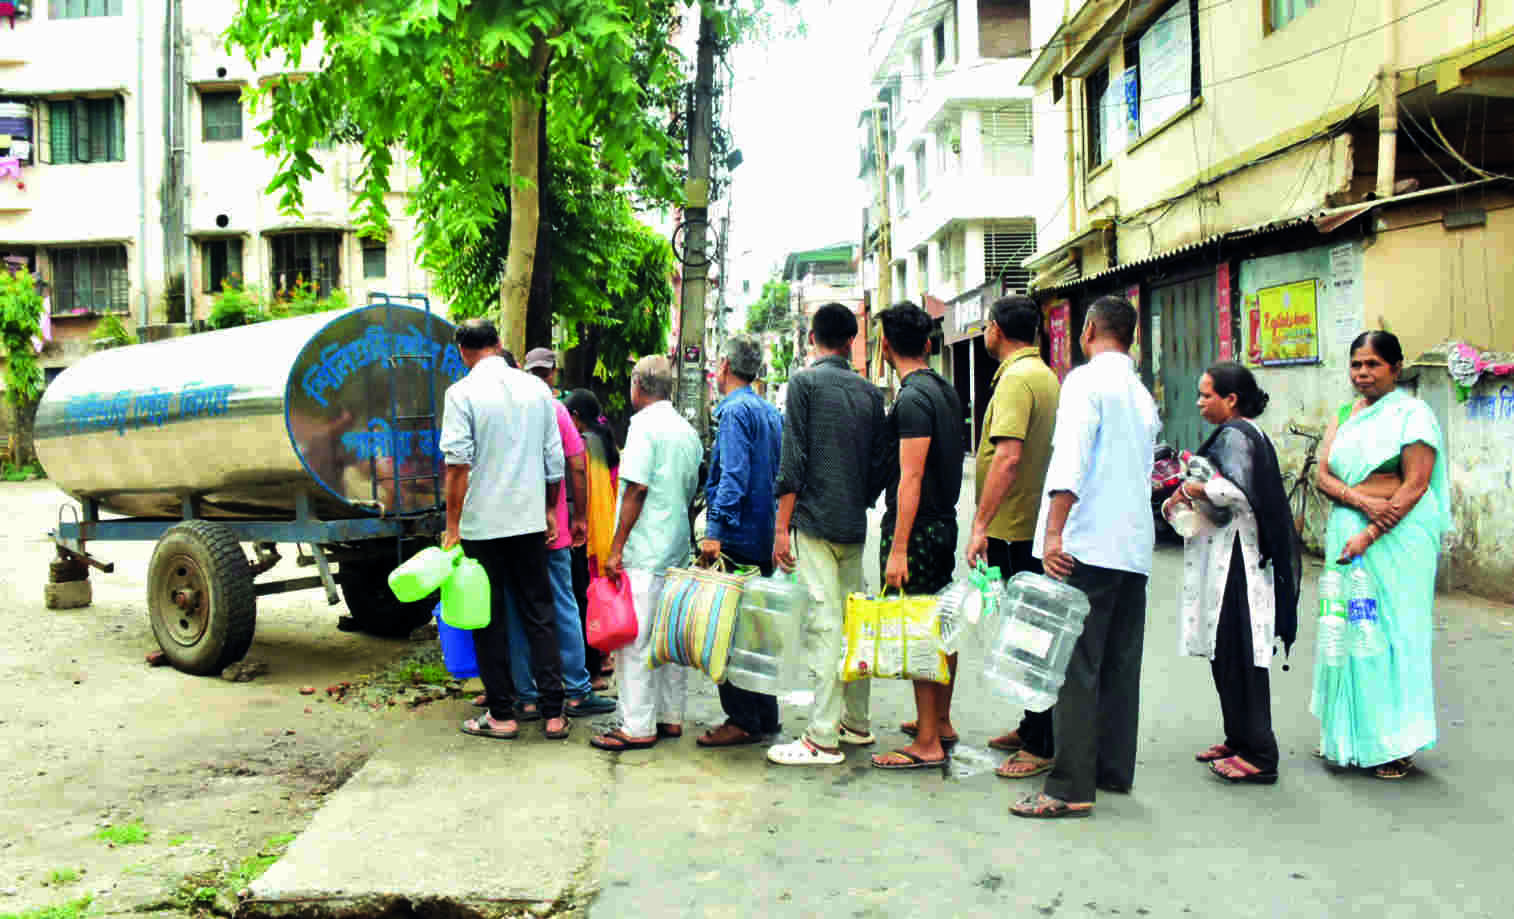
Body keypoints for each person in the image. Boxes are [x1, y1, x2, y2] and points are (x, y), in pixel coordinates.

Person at [1011, 296, 1159, 819]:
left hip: (1087, 544)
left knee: (1077, 666)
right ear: (1132, 336)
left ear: (1089, 329)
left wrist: (1053, 535)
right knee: (1119, 662)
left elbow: (1069, 463)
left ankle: (1070, 786)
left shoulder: (1084, 382)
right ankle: (1111, 769)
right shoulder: (1142, 395)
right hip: (1131, 548)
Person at [1312, 330, 1448, 780]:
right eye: (1356, 364)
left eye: (1372, 364)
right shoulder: (1347, 413)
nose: (1363, 373)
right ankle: (1346, 736)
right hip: (1347, 531)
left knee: (1392, 635)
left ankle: (1395, 744)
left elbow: (1415, 485)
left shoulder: (1414, 414)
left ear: (1395, 366)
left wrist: (1371, 531)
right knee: (1345, 630)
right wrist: (1357, 499)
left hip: (1396, 539)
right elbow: (1323, 475)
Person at [767, 303, 890, 767]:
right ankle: (855, 723)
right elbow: (880, 463)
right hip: (853, 524)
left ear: (813, 337)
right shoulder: (867, 391)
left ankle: (821, 736)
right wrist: (857, 496)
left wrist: (782, 527)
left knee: (823, 627)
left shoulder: (804, 383)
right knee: (852, 624)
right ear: (851, 342)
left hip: (814, 523)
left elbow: (792, 460)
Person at [439, 319, 569, 742]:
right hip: (529, 521)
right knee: (539, 613)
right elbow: (554, 458)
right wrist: (550, 510)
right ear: (499, 344)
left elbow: (457, 463)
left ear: (463, 351)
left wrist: (452, 525)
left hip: (482, 527)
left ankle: (502, 716)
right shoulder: (536, 390)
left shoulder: (460, 394)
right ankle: (554, 714)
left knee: (487, 619)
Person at [1176, 362, 1298, 785]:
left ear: (1231, 399)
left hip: (1241, 562)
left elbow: (1239, 491)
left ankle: (1261, 753)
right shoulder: (1237, 435)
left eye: (1206, 395)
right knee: (1224, 650)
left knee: (1243, 653)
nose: (1199, 403)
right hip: (1224, 557)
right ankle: (1238, 737)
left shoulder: (1239, 435)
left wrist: (1197, 489)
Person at [960, 296, 1061, 781]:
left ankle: (1042, 741)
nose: (983, 333)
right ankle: (1031, 725)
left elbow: (1008, 457)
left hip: (1015, 528)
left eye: (985, 326)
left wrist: (979, 525)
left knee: (1027, 637)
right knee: (1026, 629)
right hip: (1027, 523)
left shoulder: (1018, 380)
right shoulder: (1040, 373)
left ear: (997, 329)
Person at [868, 303, 965, 771]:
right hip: (944, 523)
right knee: (942, 622)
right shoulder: (945, 391)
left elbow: (910, 476)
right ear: (928, 343)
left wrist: (899, 546)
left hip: (919, 528)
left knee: (919, 626)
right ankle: (940, 723)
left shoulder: (911, 400)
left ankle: (927, 741)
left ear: (885, 345)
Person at [590, 356, 704, 752]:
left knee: (635, 642)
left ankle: (637, 725)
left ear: (638, 385)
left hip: (645, 550)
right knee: (668, 641)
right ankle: (670, 718)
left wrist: (616, 547)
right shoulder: (687, 431)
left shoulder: (643, 427)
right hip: (676, 549)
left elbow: (636, 489)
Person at [497, 349, 616, 718]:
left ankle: (528, 695)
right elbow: (576, 466)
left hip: (510, 526)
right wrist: (578, 515)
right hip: (554, 527)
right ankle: (578, 692)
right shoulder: (555, 408)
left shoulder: (497, 412)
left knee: (517, 607)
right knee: (564, 605)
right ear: (551, 373)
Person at [697, 336, 786, 749]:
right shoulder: (768, 411)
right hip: (762, 534)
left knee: (729, 630)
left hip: (737, 535)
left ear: (726, 365)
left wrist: (714, 531)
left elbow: (732, 476)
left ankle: (741, 718)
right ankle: (764, 716)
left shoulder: (733, 412)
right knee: (756, 631)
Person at [565, 388, 620, 690]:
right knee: (599, 598)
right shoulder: (606, 441)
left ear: (574, 416)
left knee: (583, 602)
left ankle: (592, 671)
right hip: (607, 529)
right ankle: (603, 659)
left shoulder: (583, 445)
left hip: (588, 533)